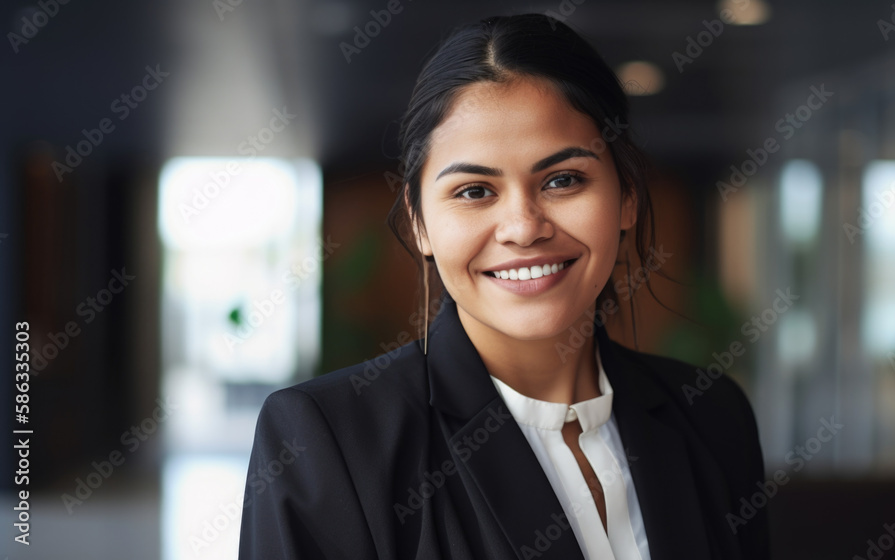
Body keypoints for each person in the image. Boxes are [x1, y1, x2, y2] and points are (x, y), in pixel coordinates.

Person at [238, 13, 769, 560]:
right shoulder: (329, 440)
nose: (523, 226)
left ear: (626, 198)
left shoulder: (711, 416)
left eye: (563, 180)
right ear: (419, 222)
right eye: (474, 191)